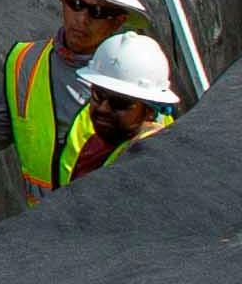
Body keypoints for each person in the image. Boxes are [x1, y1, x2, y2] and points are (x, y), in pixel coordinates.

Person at [0, 0, 154, 193]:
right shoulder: (24, 62)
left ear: (119, 21)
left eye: (99, 11)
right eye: (76, 3)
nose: (82, 19)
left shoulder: (137, 77)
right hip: (40, 226)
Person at [65, 31, 181, 180]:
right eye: (98, 95)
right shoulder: (98, 144)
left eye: (119, 102)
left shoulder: (150, 160)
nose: (103, 108)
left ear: (149, 111)